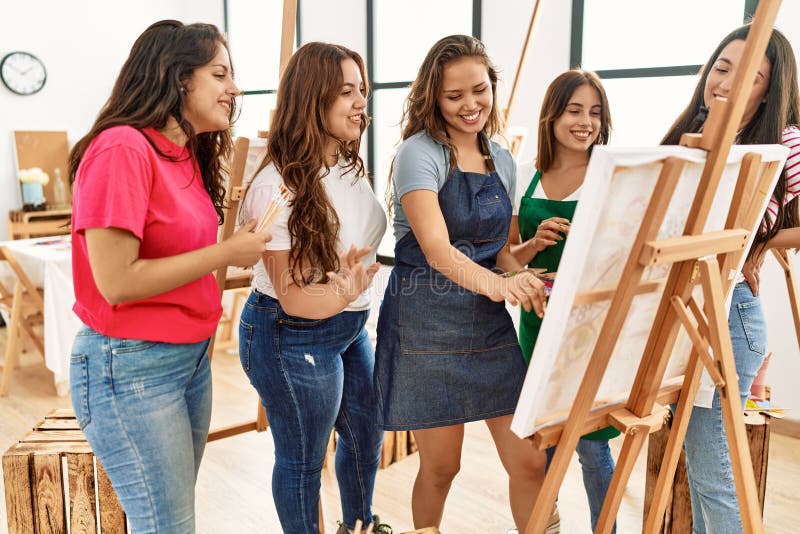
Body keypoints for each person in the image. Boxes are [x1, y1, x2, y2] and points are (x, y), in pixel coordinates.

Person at [68, 20, 270, 533]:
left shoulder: (182, 154)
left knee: (170, 521)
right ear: (180, 78)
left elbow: (183, 252)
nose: (234, 89)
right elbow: (117, 281)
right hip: (132, 368)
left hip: (187, 360)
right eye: (220, 74)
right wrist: (225, 250)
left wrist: (231, 247)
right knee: (167, 526)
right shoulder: (122, 149)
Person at [374, 34, 552, 532]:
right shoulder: (418, 153)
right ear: (433, 97)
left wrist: (524, 265)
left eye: (479, 90)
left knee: (530, 460)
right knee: (441, 466)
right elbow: (437, 250)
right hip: (425, 325)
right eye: (454, 97)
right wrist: (504, 287)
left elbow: (498, 252)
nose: (470, 105)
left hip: (487, 328)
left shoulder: (503, 159)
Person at [238, 42, 390, 534]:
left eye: (362, 90)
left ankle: (360, 527)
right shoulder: (276, 186)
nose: (360, 102)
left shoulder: (346, 163)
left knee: (367, 439)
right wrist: (344, 290)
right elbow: (295, 295)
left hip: (347, 327)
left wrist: (347, 292)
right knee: (303, 461)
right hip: (291, 334)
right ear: (312, 98)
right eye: (346, 92)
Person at [662, 23, 800, 534]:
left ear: (770, 89)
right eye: (721, 67)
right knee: (700, 468)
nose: (726, 82)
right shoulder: (692, 134)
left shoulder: (785, 142)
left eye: (749, 76)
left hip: (730, 316)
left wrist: (754, 244)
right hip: (683, 314)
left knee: (713, 469)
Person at [508, 69, 619, 534]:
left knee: (592, 447)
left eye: (594, 113)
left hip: (588, 326)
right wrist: (533, 247)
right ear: (552, 115)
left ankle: (606, 529)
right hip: (537, 325)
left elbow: (622, 253)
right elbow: (509, 260)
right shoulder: (525, 175)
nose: (585, 122)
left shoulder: (611, 174)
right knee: (542, 445)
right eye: (574, 110)